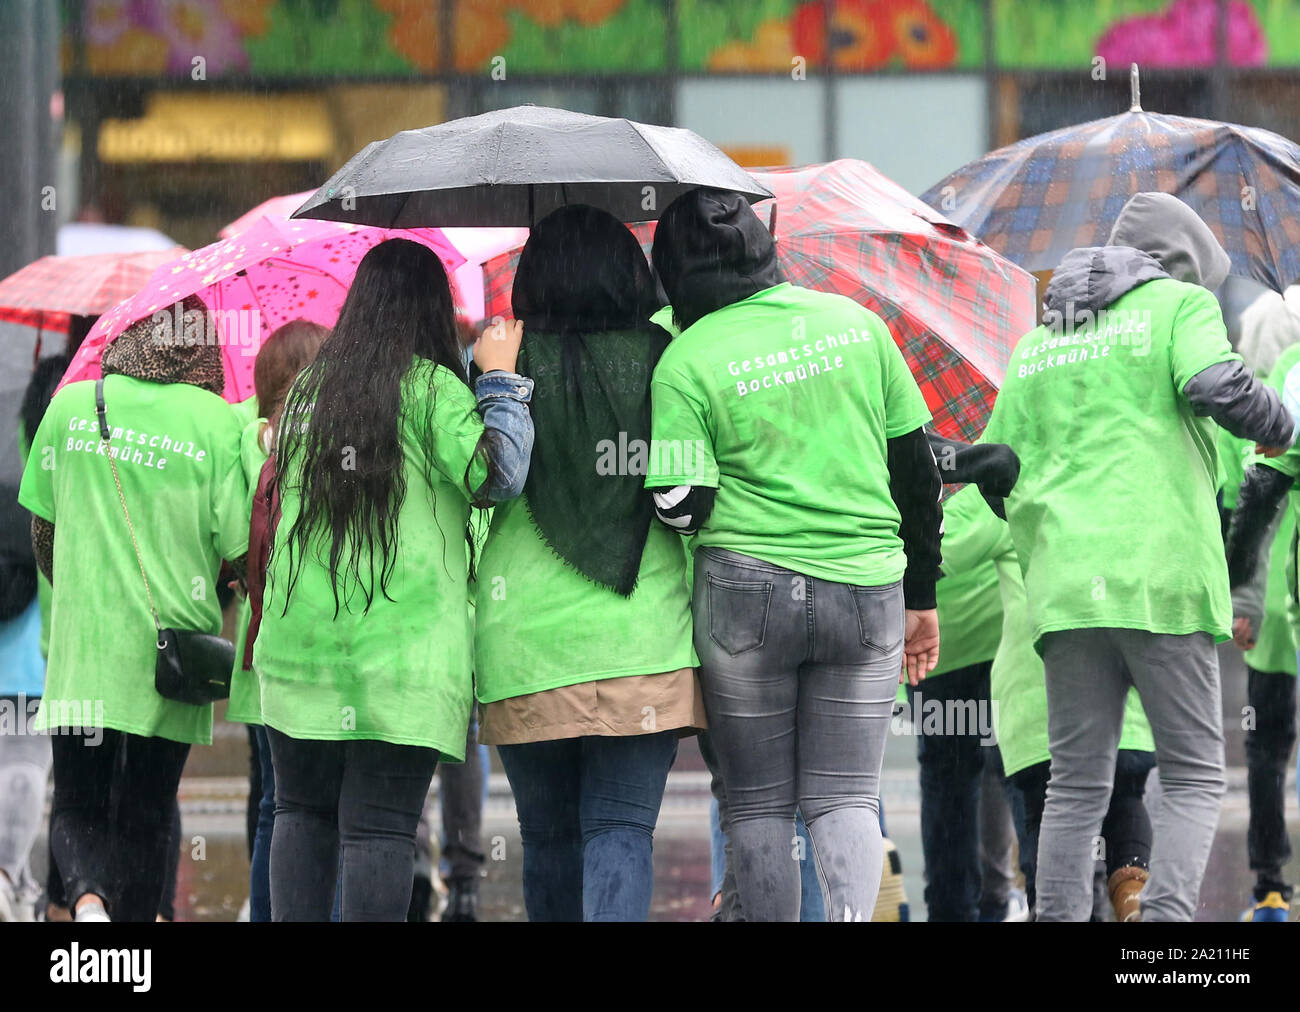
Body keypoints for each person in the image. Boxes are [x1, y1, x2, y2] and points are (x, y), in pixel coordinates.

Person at [982, 191, 1294, 921]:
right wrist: (1277, 422)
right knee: (1192, 775)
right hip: (1158, 576)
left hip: (1063, 588)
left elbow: (1001, 472)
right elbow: (1216, 384)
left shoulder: (1038, 343)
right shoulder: (1179, 308)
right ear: (1183, 268)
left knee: (1075, 784)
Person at [645, 188, 943, 922]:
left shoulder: (684, 360)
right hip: (867, 586)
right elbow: (917, 471)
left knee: (757, 806)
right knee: (846, 794)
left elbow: (684, 502)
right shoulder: (858, 326)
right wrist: (923, 597)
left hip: (745, 594)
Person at [254, 238, 533, 922]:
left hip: (299, 653)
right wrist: (499, 379)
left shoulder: (308, 392)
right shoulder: (433, 391)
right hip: (399, 659)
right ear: (431, 312)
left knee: (301, 812)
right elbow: (495, 476)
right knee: (377, 827)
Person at [474, 205, 703, 922]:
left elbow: (478, 482)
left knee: (545, 839)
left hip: (526, 647)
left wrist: (491, 378)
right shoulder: (668, 360)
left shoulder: (503, 362)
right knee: (621, 831)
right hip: (643, 643)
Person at [18, 294, 250, 922]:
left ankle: (88, 899)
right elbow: (237, 547)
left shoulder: (71, 405)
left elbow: (44, 528)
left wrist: (85, 588)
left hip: (85, 643)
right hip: (168, 651)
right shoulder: (218, 422)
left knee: (77, 801)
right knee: (149, 808)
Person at [225, 319, 329, 923]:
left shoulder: (247, 438)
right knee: (323, 805)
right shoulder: (328, 438)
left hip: (258, 643)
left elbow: (237, 539)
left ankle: (265, 913)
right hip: (313, 643)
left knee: (274, 803)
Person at [1224, 334, 1300, 923]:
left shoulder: (1292, 372)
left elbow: (1258, 484)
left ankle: (1272, 885)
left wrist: (1242, 592)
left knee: (1268, 743)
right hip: (1277, 596)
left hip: (1276, 594)